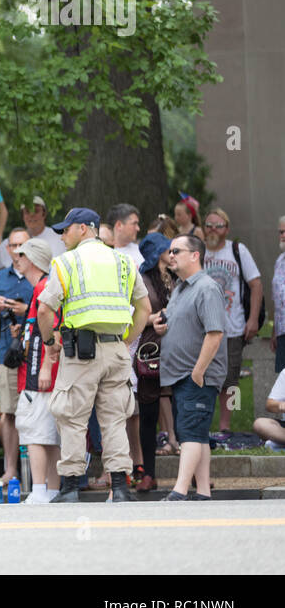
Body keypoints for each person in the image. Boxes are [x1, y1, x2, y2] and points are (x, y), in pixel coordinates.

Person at [37, 208, 151, 503]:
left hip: (80, 354)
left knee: (72, 417)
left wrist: (50, 340)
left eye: (66, 230)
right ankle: (121, 488)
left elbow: (45, 309)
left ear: (85, 228)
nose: (61, 236)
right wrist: (126, 341)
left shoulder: (66, 262)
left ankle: (71, 487)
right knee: (114, 420)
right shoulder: (123, 261)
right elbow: (144, 309)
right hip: (116, 350)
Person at [151, 235, 224, 500]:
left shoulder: (206, 288)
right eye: (170, 251)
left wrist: (198, 371)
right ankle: (203, 492)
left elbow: (215, 333)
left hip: (196, 375)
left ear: (195, 255)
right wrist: (157, 324)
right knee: (199, 434)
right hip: (183, 375)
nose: (171, 255)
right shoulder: (181, 288)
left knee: (189, 433)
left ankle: (179, 490)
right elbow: (173, 320)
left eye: (176, 251)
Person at [199, 208, 263, 437]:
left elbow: (255, 284)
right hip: (203, 329)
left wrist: (253, 319)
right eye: (209, 225)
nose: (213, 229)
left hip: (232, 327)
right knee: (203, 377)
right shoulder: (198, 251)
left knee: (231, 380)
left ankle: (227, 425)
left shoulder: (237, 250)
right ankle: (203, 426)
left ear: (227, 229)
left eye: (218, 225)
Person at [14, 238, 62, 503]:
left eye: (20, 255)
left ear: (31, 259)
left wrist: (45, 365)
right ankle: (52, 491)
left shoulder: (43, 287)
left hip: (39, 376)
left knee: (35, 434)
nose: (16, 260)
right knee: (50, 436)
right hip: (43, 374)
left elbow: (54, 329)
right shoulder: (42, 287)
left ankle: (40, 490)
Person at [0, 228, 32, 486]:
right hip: (7, 354)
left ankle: (39, 472)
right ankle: (11, 469)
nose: (17, 251)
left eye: (22, 246)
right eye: (12, 246)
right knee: (9, 413)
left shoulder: (40, 276)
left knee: (39, 411)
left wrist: (25, 310)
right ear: (7, 249)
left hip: (37, 352)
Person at [133, 232, 174, 490]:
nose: (171, 253)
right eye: (166, 249)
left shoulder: (178, 276)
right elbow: (132, 314)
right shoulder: (140, 278)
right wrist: (155, 318)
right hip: (151, 349)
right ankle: (148, 473)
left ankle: (193, 472)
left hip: (178, 349)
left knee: (183, 409)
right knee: (148, 413)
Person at [0, 197, 66, 268]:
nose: (31, 215)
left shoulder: (59, 238)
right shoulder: (12, 242)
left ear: (44, 214)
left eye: (36, 211)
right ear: (23, 216)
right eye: (27, 211)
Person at [106, 203, 145, 269]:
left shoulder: (142, 250)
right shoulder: (106, 256)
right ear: (119, 225)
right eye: (134, 224)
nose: (138, 228)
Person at [274, 214, 285, 376]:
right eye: (280, 232)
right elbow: (278, 299)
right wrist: (274, 332)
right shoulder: (280, 261)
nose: (282, 236)